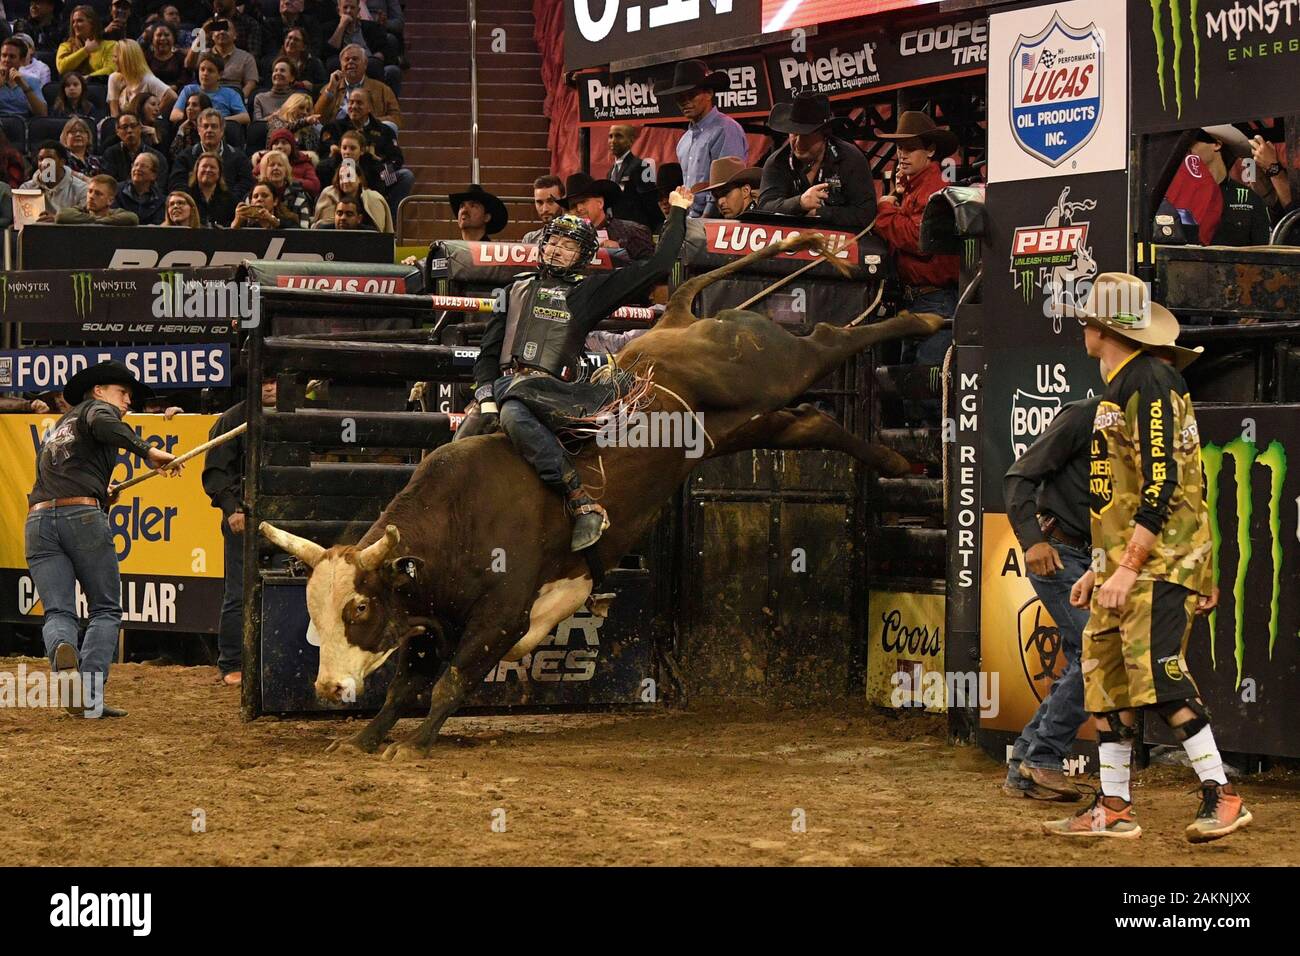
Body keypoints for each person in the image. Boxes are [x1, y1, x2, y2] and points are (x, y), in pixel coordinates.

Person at [1043, 273, 1251, 844]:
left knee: (1158, 676)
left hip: (1160, 563)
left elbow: (1161, 483)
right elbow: (1126, 491)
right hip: (1128, 562)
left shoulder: (1152, 380)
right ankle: (1114, 807)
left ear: (1104, 327)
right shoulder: (1124, 385)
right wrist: (1099, 567)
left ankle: (1223, 793)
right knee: (1107, 682)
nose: (1083, 327)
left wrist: (1129, 565)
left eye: (1089, 319)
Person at [469, 186, 694, 552]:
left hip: (553, 394)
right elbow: (488, 352)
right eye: (552, 241)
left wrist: (678, 212)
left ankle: (580, 499)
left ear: (584, 255)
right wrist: (484, 394)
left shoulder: (590, 291)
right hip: (504, 389)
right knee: (465, 437)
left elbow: (657, 265)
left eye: (568, 245)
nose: (557, 249)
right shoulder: (514, 289)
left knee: (514, 412)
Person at [25, 360, 180, 718]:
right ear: (98, 391)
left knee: (59, 610)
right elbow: (103, 421)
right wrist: (149, 451)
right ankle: (90, 694)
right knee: (106, 608)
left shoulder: (60, 427)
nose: (128, 401)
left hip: (38, 520)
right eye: (122, 392)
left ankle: (64, 647)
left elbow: (65, 472)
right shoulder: (97, 411)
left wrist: (99, 491)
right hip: (80, 517)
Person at [1002, 395, 1099, 801]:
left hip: (1089, 557)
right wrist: (1033, 541)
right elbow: (1018, 477)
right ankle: (1042, 758)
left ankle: (1027, 764)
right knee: (1099, 648)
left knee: (1088, 653)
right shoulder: (1083, 416)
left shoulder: (1134, 426)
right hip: (1059, 551)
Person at [873, 110, 962, 415]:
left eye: (910, 148)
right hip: (917, 302)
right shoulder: (915, 187)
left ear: (930, 151)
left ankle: (940, 461)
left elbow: (919, 239)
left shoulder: (934, 188)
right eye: (899, 149)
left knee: (928, 390)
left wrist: (884, 211)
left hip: (935, 301)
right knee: (913, 390)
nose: (902, 155)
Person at [203, 372, 274, 686]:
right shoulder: (233, 419)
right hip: (245, 514)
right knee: (239, 590)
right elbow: (215, 471)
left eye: (275, 381)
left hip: (285, 513)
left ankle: (272, 658)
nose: (270, 386)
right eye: (264, 380)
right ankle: (232, 661)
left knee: (287, 584)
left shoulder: (297, 417)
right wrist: (231, 508)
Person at [757, 92, 876, 231]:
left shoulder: (850, 160)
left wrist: (820, 213)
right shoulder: (777, 162)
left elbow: (866, 213)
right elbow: (764, 207)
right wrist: (799, 203)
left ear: (824, 135)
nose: (799, 142)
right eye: (794, 134)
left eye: (806, 135)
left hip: (840, 244)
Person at [655, 59, 745, 219]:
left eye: (691, 95)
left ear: (709, 93)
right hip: (693, 220)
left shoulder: (725, 129)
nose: (685, 102)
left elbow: (727, 184)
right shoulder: (684, 141)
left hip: (717, 221)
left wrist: (705, 220)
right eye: (680, 98)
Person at [1189, 126, 1270, 246]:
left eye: (1192, 143)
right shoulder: (1178, 194)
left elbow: (1261, 254)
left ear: (1216, 145)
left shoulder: (1249, 199)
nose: (1185, 150)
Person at [563, 170, 651, 260]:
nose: (579, 208)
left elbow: (651, 269)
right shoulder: (565, 238)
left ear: (600, 203)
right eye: (573, 205)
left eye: (583, 201)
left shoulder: (633, 232)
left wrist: (620, 255)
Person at [169, 106, 254, 199]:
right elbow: (177, 185)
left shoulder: (239, 157)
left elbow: (246, 184)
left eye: (214, 126)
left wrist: (226, 201)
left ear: (222, 131)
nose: (209, 130)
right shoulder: (185, 157)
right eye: (205, 126)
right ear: (199, 131)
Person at [314, 42, 400, 130]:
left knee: (390, 125)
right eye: (347, 59)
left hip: (370, 133)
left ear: (365, 64)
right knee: (315, 126)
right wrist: (329, 91)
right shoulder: (331, 87)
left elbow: (395, 119)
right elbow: (317, 117)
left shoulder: (382, 89)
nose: (350, 62)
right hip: (337, 133)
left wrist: (368, 122)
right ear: (341, 65)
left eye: (355, 59)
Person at [310, 140, 391, 232]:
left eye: (349, 176)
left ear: (359, 178)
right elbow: (321, 227)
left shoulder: (374, 198)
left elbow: (380, 232)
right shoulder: (328, 194)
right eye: (341, 177)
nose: (345, 181)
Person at [184, 15, 257, 100]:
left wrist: (237, 100)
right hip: (206, 97)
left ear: (235, 35)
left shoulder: (246, 57)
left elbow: (251, 83)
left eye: (226, 29)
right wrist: (202, 33)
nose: (222, 31)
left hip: (232, 97)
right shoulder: (205, 54)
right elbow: (188, 64)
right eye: (218, 29)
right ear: (212, 35)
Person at [606, 123, 661, 231]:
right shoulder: (611, 171)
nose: (613, 140)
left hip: (638, 230)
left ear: (631, 141)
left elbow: (651, 203)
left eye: (619, 136)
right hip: (618, 230)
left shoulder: (642, 166)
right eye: (610, 136)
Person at [172, 52, 250, 124]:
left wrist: (215, 121)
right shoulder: (188, 90)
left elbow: (245, 117)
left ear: (220, 74)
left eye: (210, 70)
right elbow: (174, 115)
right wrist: (195, 119)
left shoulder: (230, 94)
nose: (205, 73)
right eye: (202, 69)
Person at [107, 37, 176, 117]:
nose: (113, 60)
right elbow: (114, 112)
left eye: (115, 57)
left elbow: (172, 96)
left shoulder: (148, 80)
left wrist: (154, 115)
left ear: (126, 59)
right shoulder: (114, 78)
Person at [23, 141, 88, 216]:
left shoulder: (81, 189)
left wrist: (57, 219)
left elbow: (83, 220)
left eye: (50, 159)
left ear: (62, 162)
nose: (44, 164)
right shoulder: (26, 188)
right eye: (41, 159)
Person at [101, 111, 168, 183]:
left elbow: (160, 187)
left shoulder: (156, 156)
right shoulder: (111, 154)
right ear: (117, 132)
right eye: (124, 127)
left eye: (133, 126)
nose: (129, 131)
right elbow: (108, 184)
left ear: (140, 128)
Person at [57, 5, 119, 78]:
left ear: (92, 24)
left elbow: (110, 69)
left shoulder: (111, 45)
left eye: (80, 21)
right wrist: (85, 50)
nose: (75, 25)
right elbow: (62, 68)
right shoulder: (65, 46)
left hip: (99, 87)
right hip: (72, 88)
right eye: (73, 22)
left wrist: (85, 78)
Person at [257, 148, 312, 227]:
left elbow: (304, 230)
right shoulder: (254, 195)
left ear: (286, 170)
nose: (276, 168)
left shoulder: (298, 197)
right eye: (271, 165)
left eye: (280, 165)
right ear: (264, 170)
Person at [692, 156, 761, 219]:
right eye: (716, 196)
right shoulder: (718, 223)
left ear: (745, 190)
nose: (720, 202)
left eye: (725, 193)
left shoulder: (764, 219)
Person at [56, 173, 140, 224]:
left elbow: (132, 218)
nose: (91, 196)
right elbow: (61, 215)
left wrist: (100, 220)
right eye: (90, 191)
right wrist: (96, 219)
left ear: (110, 201)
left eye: (98, 194)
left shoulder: (115, 213)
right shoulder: (81, 210)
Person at [263, 24, 326, 92]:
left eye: (296, 40)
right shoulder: (273, 62)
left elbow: (324, 86)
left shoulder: (314, 63)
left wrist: (312, 87)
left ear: (304, 47)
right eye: (289, 38)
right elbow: (267, 85)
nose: (291, 42)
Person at [0, 36, 48, 120]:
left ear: (21, 61)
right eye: (4, 55)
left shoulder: (32, 81)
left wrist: (24, 86)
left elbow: (42, 113)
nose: (6, 60)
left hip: (23, 125)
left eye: (12, 56)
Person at [185, 150, 236, 225]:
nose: (208, 170)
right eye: (204, 166)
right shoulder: (185, 197)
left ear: (219, 173)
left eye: (212, 167)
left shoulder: (230, 200)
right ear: (196, 170)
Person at [114, 150, 166, 223]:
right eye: (135, 165)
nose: (137, 169)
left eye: (143, 166)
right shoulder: (116, 191)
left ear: (153, 175)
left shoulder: (160, 201)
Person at [266, 90, 321, 156]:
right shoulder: (276, 121)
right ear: (291, 107)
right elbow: (281, 133)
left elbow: (315, 152)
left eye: (308, 110)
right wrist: (305, 121)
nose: (305, 112)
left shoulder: (310, 130)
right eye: (301, 108)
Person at [145, 21, 189, 88]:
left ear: (173, 38)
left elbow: (185, 77)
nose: (162, 38)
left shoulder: (180, 57)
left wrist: (174, 87)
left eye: (166, 35)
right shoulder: (146, 57)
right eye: (159, 35)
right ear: (152, 39)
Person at [522, 173, 564, 244]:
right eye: (539, 202)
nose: (545, 209)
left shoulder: (577, 238)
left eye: (551, 201)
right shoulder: (530, 240)